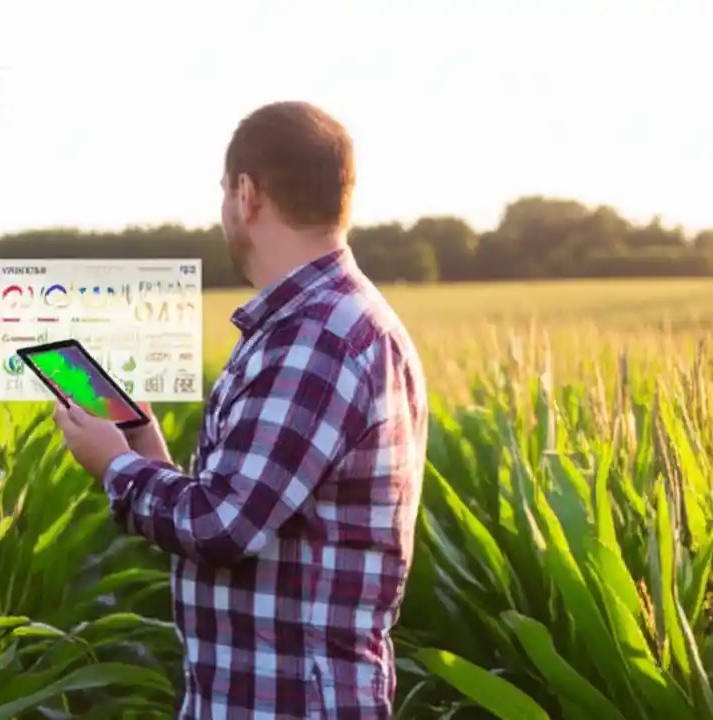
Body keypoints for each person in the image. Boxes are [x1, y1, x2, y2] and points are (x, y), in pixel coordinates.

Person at [51, 100, 428, 719]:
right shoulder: (314, 324)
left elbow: (225, 527)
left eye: (226, 191)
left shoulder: (316, 336)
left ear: (247, 194)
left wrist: (114, 467)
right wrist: (149, 452)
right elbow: (250, 510)